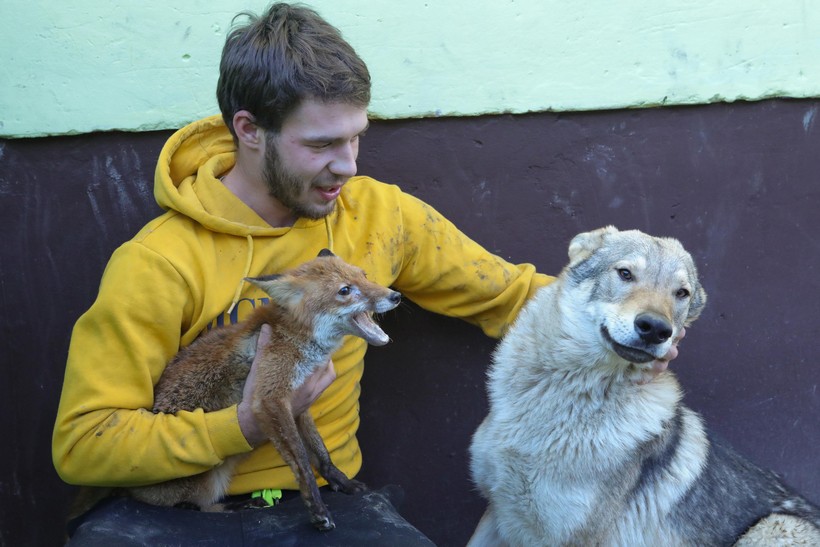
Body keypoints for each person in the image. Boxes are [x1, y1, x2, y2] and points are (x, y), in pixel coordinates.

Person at [52, 3, 681, 545]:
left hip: (323, 506)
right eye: (321, 145)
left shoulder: (380, 215)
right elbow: (84, 444)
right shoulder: (159, 261)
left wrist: (625, 330)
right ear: (249, 130)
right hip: (178, 512)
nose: (347, 165)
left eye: (356, 138)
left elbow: (513, 296)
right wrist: (242, 424)